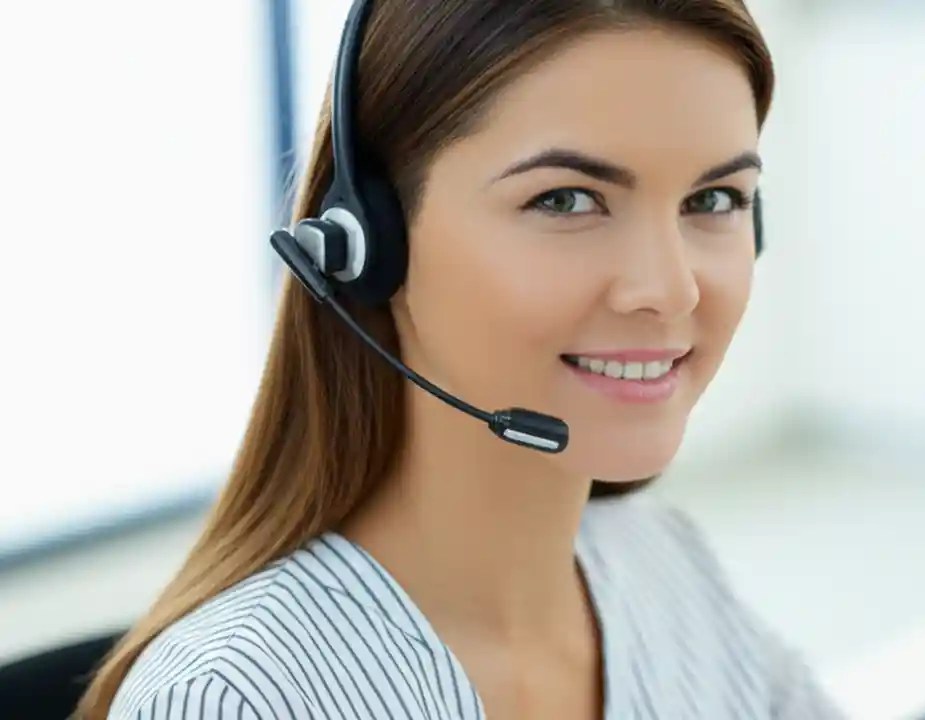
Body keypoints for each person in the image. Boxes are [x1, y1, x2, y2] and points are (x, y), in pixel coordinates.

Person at [79, 0, 846, 717]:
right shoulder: (239, 699)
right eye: (566, 200)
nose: (669, 290)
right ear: (370, 244)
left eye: (713, 200)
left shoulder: (663, 565)